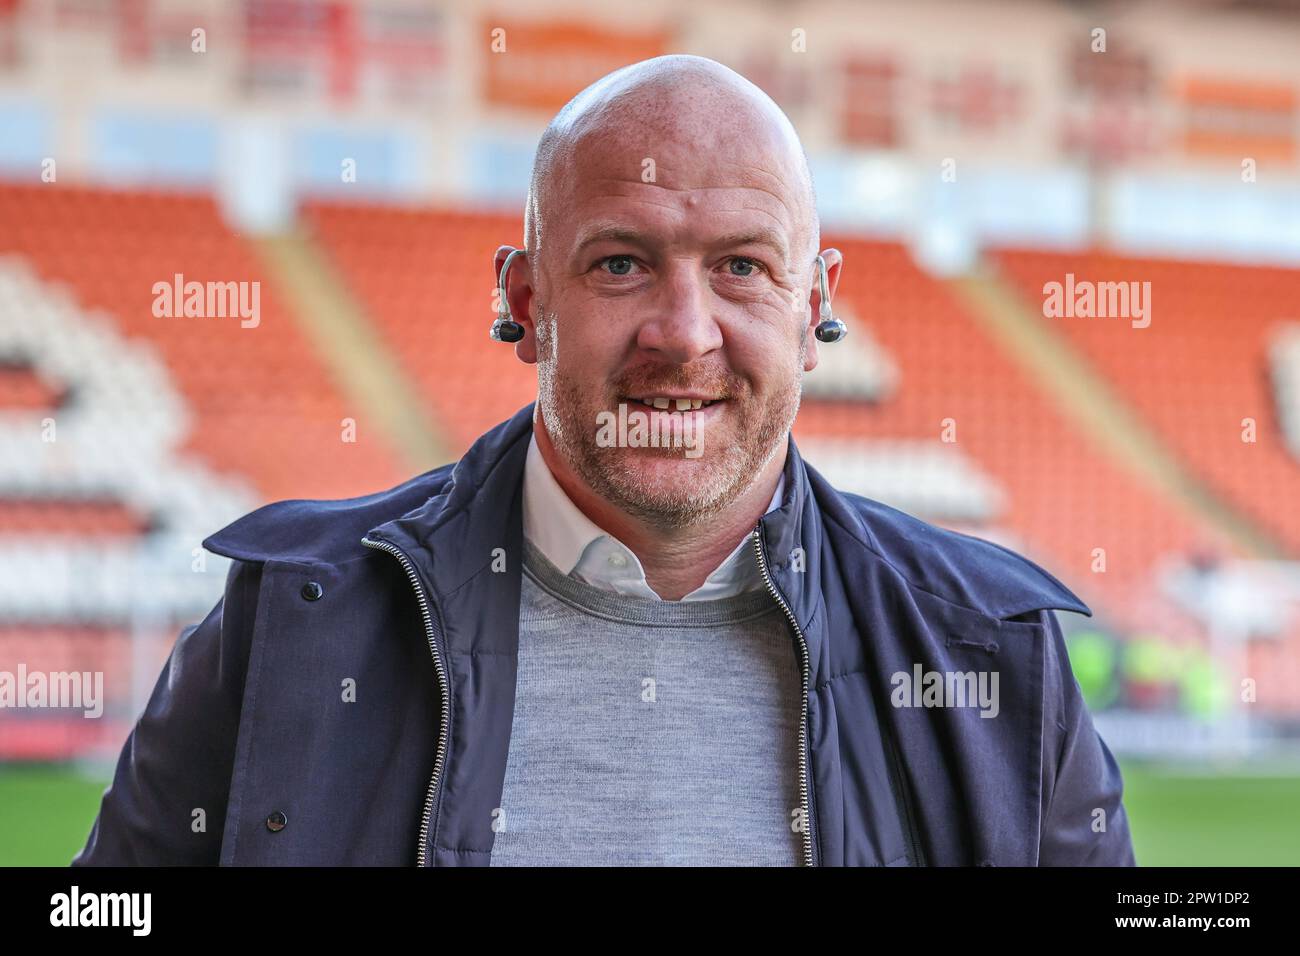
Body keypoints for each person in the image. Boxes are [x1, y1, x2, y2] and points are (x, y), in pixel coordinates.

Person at [73, 54, 1134, 866]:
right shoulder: (292, 620)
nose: (684, 331)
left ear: (813, 312)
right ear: (524, 302)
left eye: (742, 267)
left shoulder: (993, 655)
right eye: (621, 262)